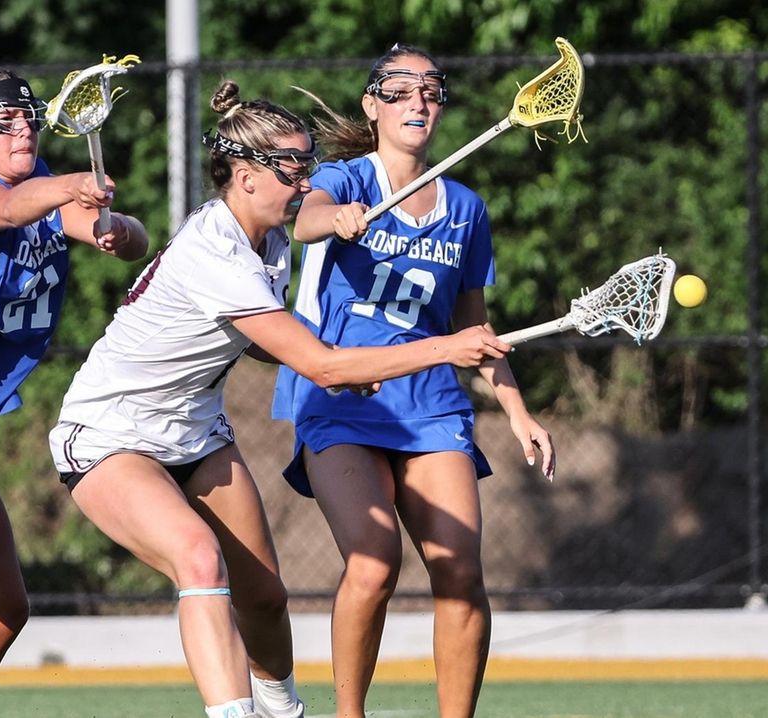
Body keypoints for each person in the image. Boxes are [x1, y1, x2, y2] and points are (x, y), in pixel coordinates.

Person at [47, 81, 511, 718]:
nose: (305, 184)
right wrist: (441, 348)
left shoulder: (268, 239)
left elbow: (271, 342)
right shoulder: (218, 251)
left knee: (264, 595)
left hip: (197, 433)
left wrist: (325, 360)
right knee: (199, 558)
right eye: (293, 169)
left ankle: (283, 710)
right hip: (110, 433)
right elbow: (319, 363)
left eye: (308, 166)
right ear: (244, 176)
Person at [273, 44, 556, 718]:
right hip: (341, 402)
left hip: (431, 408)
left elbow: (473, 328)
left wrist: (518, 412)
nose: (418, 100)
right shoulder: (347, 180)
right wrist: (333, 220)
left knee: (460, 573)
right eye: (399, 90)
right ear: (372, 106)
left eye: (431, 89)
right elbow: (305, 217)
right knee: (373, 565)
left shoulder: (465, 209)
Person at [0, 62, 147, 715]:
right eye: (3, 118)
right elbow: (1, 208)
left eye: (28, 114)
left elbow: (128, 238)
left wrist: (115, 229)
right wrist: (65, 188)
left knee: (1, 612)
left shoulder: (43, 195)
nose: (23, 125)